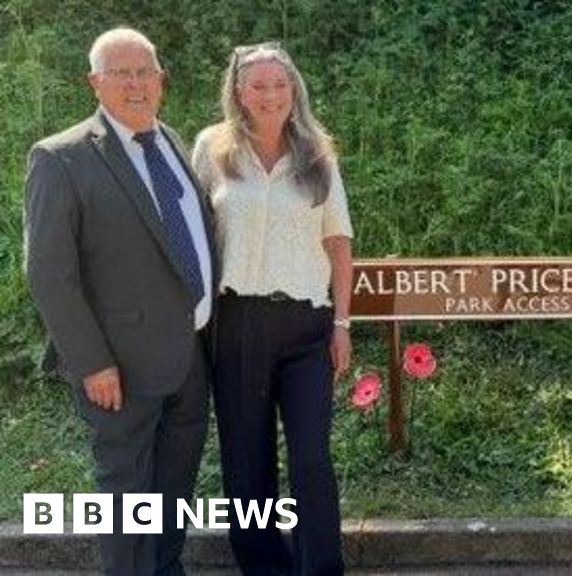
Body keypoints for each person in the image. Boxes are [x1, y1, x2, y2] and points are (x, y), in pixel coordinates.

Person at [24, 27, 214, 575]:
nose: (136, 85)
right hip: (118, 370)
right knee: (128, 506)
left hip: (188, 359)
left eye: (145, 72)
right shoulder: (60, 159)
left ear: (162, 80)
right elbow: (49, 275)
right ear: (94, 82)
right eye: (121, 73)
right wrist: (91, 362)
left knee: (172, 498)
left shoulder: (173, 142)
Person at [191, 42, 353, 575]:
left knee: (310, 459)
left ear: (294, 90)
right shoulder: (211, 150)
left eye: (280, 85)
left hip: (306, 325)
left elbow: (339, 244)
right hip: (235, 323)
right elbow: (193, 237)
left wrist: (342, 325)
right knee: (246, 461)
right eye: (258, 86)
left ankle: (319, 568)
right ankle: (265, 567)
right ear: (239, 91)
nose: (271, 95)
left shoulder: (318, 155)